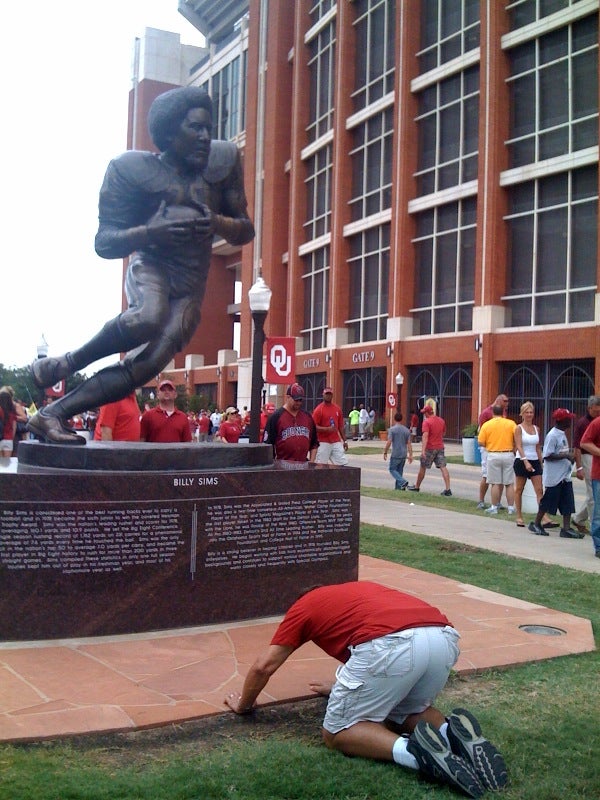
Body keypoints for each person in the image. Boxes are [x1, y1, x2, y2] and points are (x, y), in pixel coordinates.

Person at [27, 86, 254, 445]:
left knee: (144, 366)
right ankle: (69, 362)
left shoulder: (223, 160)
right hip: (152, 266)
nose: (205, 137)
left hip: (191, 284)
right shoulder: (131, 168)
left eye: (209, 128)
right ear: (168, 132)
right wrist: (152, 231)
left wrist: (216, 222)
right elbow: (104, 242)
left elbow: (245, 228)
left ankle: (51, 415)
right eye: (194, 128)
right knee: (148, 315)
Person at [223, 581, 507, 798]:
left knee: (338, 731)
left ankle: (417, 754)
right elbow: (378, 669)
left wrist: (244, 705)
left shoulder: (303, 606)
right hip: (442, 636)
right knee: (405, 709)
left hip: (391, 644)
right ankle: (451, 732)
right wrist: (340, 689)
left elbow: (264, 665)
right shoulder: (358, 592)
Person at [528, 409, 584, 539]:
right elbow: (547, 455)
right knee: (548, 501)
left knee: (568, 502)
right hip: (554, 476)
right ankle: (536, 523)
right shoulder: (552, 435)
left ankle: (566, 528)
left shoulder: (562, 433)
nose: (570, 420)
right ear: (561, 420)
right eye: (568, 418)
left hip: (564, 475)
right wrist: (566, 456)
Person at [513, 401, 556, 529]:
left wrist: (541, 461)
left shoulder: (536, 429)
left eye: (531, 412)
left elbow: (537, 447)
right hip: (522, 460)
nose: (529, 414)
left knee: (539, 490)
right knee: (519, 489)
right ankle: (519, 515)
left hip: (534, 460)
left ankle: (544, 516)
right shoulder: (518, 428)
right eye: (527, 412)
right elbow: (519, 446)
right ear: (522, 413)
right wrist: (525, 461)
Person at [263, 383, 318, 463]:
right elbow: (267, 445)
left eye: (300, 400)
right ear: (288, 397)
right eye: (296, 400)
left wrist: (312, 462)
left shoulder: (307, 417)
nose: (298, 402)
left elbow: (314, 443)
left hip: (303, 464)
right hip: (282, 465)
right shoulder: (276, 417)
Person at [477, 405, 516, 516]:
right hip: (508, 454)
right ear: (503, 412)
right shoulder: (510, 423)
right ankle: (511, 508)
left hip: (493, 454)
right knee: (509, 483)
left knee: (495, 483)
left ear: (493, 412)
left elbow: (480, 442)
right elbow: (517, 436)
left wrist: (489, 444)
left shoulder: (487, 425)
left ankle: (494, 507)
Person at [571, 394, 600, 534]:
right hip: (587, 457)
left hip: (596, 457)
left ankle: (578, 518)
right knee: (592, 494)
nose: (597, 413)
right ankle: (594, 523)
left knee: (592, 494)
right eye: (595, 411)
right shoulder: (583, 423)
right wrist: (579, 467)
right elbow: (577, 447)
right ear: (589, 408)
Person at [408, 405, 452, 496]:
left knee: (423, 467)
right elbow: (444, 432)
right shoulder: (441, 420)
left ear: (427, 413)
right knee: (443, 467)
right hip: (440, 447)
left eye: (424, 413)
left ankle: (417, 486)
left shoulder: (426, 422)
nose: (424, 414)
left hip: (430, 448)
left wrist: (423, 450)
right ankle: (448, 489)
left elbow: (425, 436)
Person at [476, 394, 509, 509]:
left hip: (499, 447)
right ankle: (481, 500)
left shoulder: (503, 412)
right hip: (487, 448)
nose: (507, 403)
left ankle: (497, 502)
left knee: (499, 477)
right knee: (486, 475)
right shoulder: (486, 413)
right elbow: (482, 430)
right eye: (505, 401)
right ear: (498, 400)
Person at [580, 411, 600, 558]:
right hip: (599, 475)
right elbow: (584, 443)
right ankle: (599, 546)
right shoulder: (597, 423)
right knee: (598, 512)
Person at [312, 387, 348, 465]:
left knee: (342, 464)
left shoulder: (337, 409)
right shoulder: (319, 410)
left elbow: (341, 426)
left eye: (330, 394)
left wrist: (345, 440)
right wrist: (327, 429)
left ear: (332, 395)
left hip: (336, 441)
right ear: (323, 395)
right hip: (323, 442)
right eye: (326, 394)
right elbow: (314, 427)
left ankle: (337, 477)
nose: (328, 396)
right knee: (321, 465)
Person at [383, 412, 413, 489]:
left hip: (396, 453)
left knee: (392, 469)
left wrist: (385, 451)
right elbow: (409, 443)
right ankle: (399, 488)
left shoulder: (392, 430)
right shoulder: (406, 430)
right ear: (402, 419)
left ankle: (402, 481)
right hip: (403, 453)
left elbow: (389, 441)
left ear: (394, 419)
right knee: (399, 471)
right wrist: (410, 455)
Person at [0, 389, 18, 457]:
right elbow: (14, 427)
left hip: (0, 438)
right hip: (9, 439)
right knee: (7, 463)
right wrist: (11, 438)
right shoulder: (12, 412)